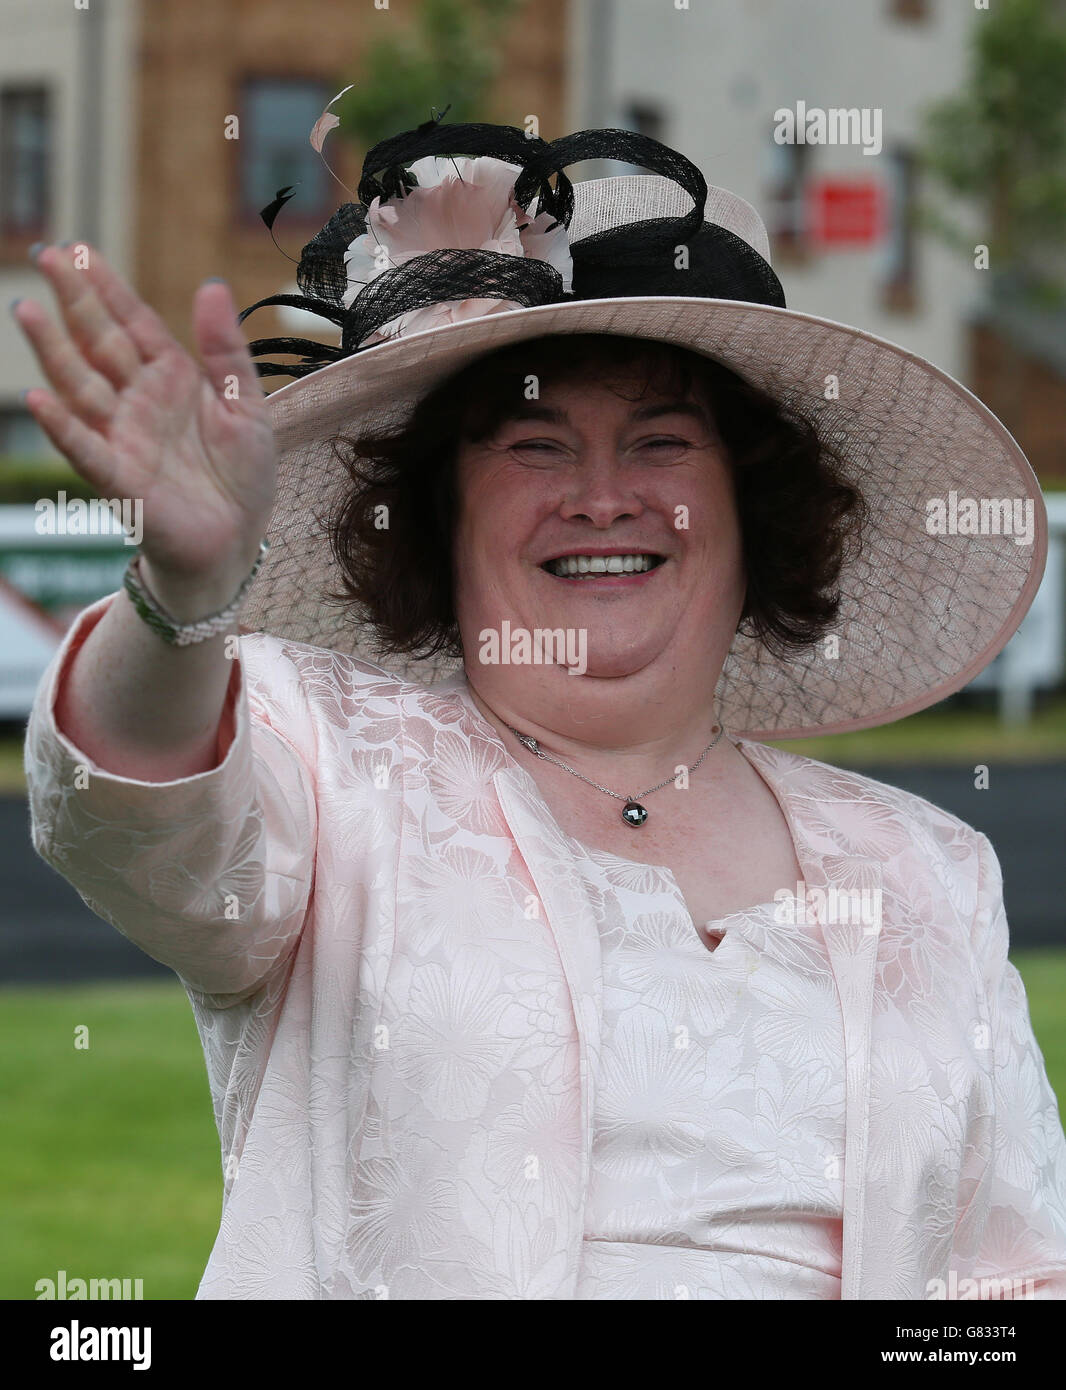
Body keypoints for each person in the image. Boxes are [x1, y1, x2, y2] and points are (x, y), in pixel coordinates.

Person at [17, 115, 1066, 1300]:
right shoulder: (324, 766)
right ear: (437, 519)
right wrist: (184, 591)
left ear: (752, 508)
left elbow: (1009, 1283)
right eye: (534, 445)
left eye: (661, 442)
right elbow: (132, 808)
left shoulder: (930, 871)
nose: (603, 496)